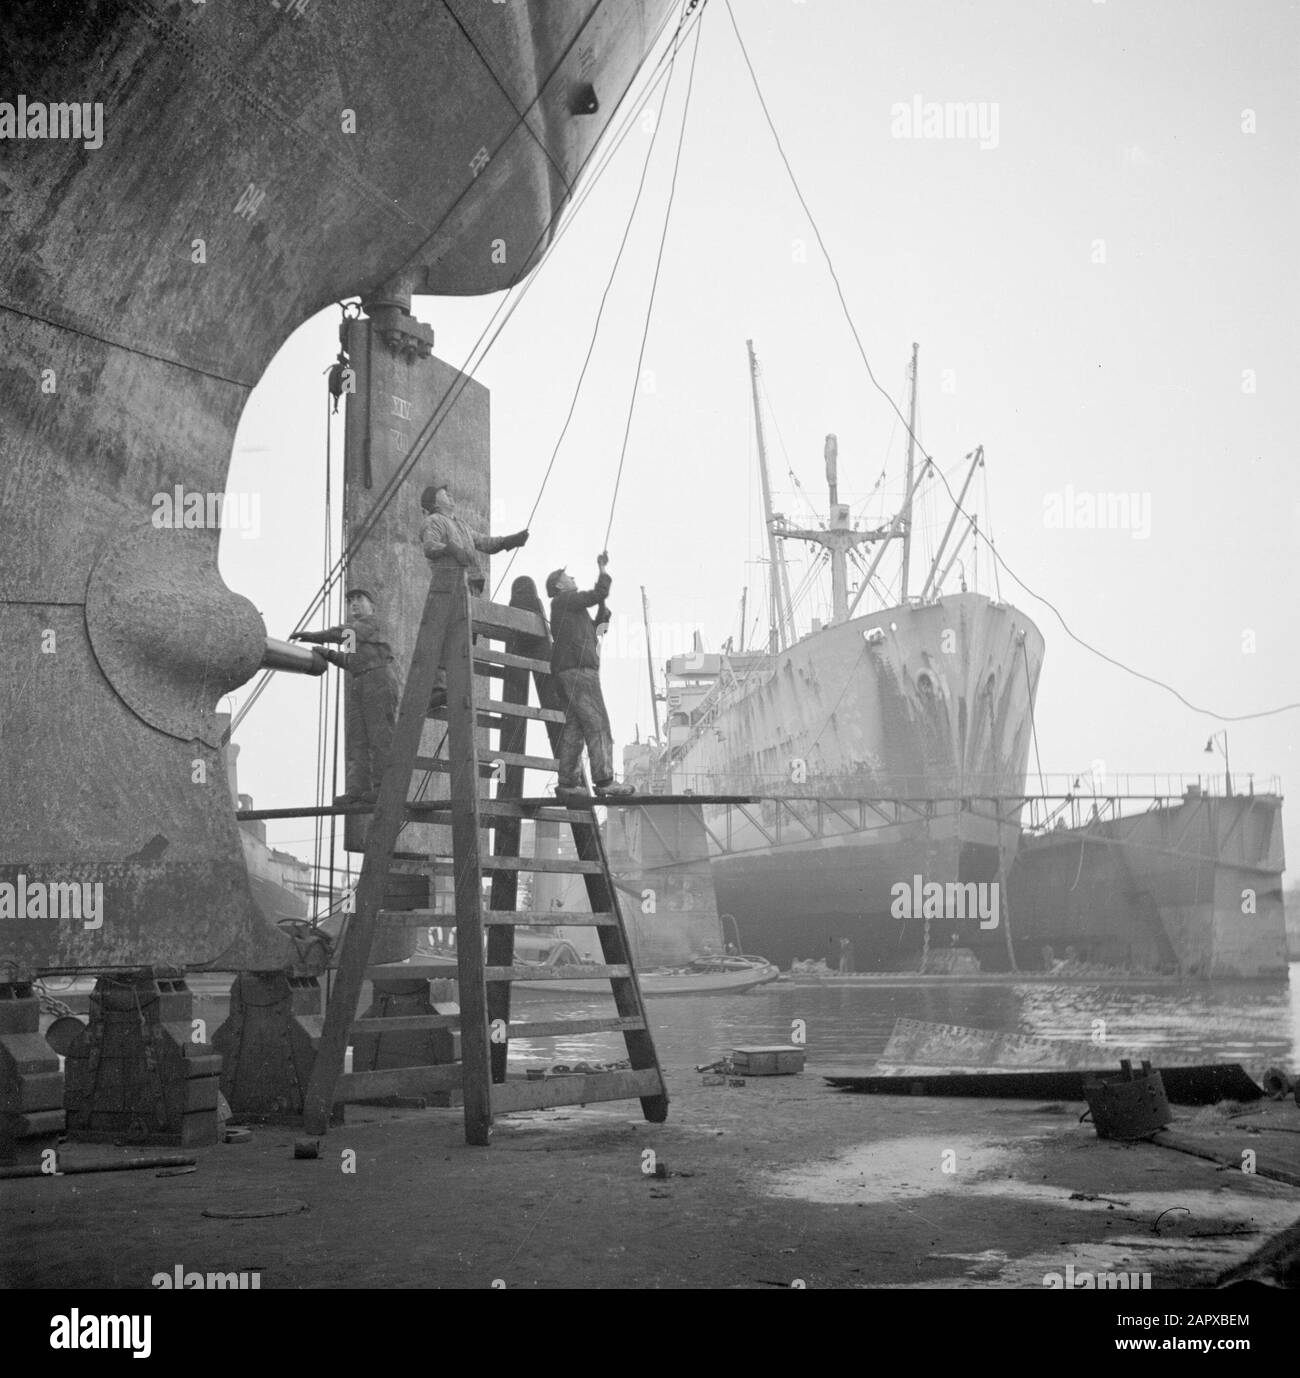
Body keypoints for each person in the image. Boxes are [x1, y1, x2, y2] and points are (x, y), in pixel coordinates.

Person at [419, 481, 529, 708]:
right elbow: (430, 546)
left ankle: (455, 688)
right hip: (451, 586)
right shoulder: (434, 521)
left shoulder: (462, 525)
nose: (450, 496)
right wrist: (449, 549)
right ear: (434, 502)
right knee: (448, 635)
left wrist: (511, 541)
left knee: (463, 641)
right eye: (444, 494)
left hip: (470, 588)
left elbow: (485, 543)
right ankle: (438, 689)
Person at [291, 588, 400, 807]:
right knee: (357, 739)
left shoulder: (370, 624)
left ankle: (383, 789)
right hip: (360, 682)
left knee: (380, 738)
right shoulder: (355, 633)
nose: (354, 604)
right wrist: (329, 654)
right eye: (350, 601)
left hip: (378, 680)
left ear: (373, 606)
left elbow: (343, 633)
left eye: (359, 599)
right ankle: (356, 790)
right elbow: (350, 661)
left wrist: (315, 636)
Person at [546, 552, 634, 800]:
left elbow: (592, 632)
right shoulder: (565, 600)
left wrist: (600, 619)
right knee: (598, 725)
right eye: (568, 576)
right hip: (580, 672)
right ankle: (604, 780)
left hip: (566, 673)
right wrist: (602, 569)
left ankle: (567, 783)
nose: (572, 577)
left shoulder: (567, 609)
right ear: (559, 585)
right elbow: (598, 594)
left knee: (575, 727)